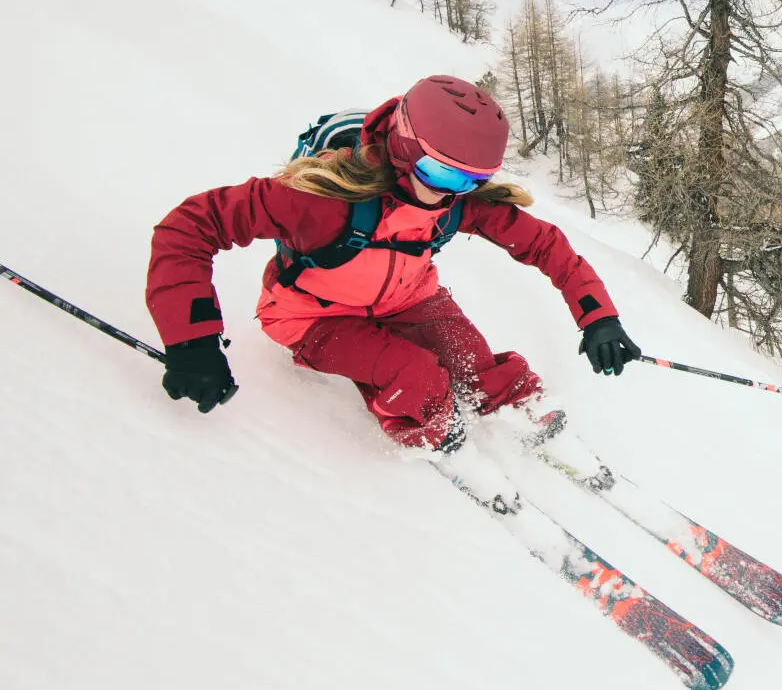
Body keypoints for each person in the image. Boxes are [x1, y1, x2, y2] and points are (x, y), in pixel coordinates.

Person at [145, 75, 642, 452]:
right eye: (440, 170)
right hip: (316, 317)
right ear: (404, 145)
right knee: (417, 377)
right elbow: (189, 228)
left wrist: (599, 316)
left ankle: (514, 410)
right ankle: (430, 432)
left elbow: (546, 246)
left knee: (474, 360)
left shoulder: (455, 198)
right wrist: (192, 342)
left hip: (410, 299)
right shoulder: (324, 200)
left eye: (470, 178)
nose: (450, 190)